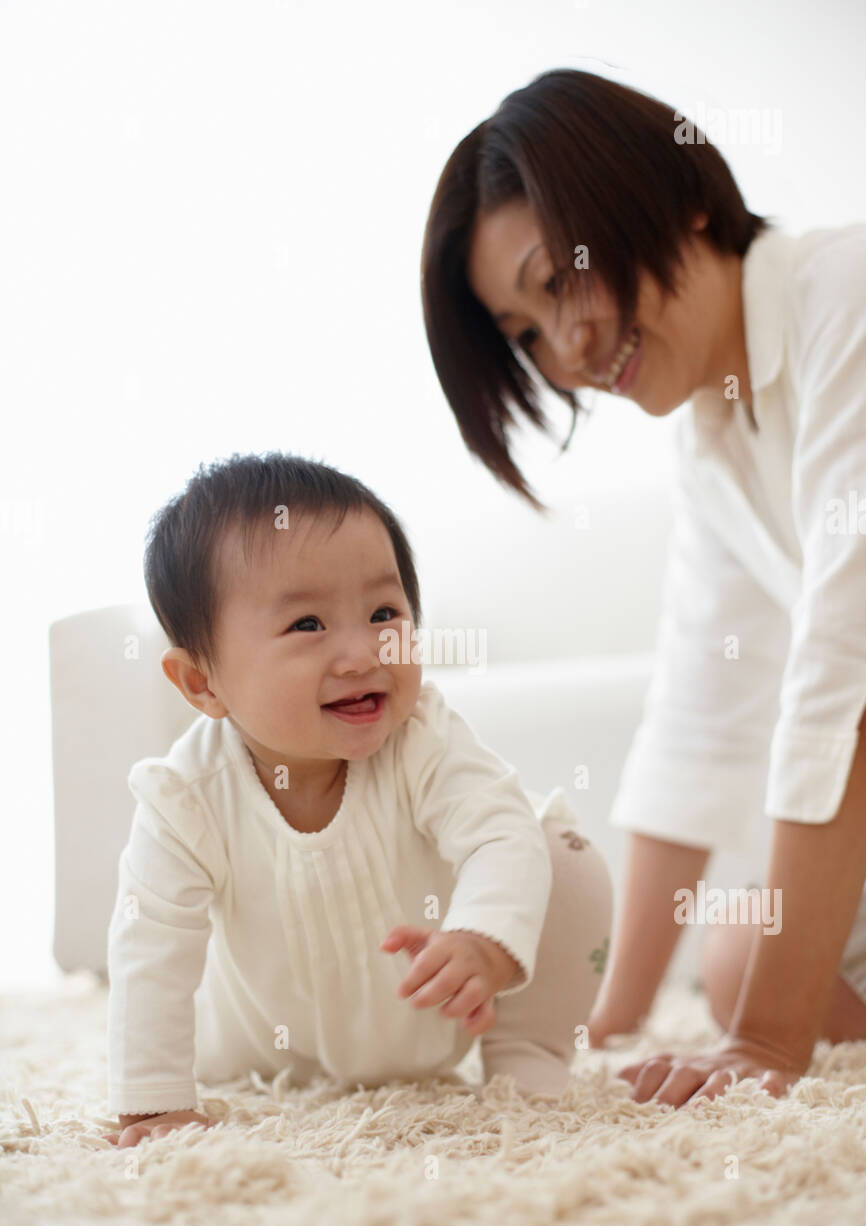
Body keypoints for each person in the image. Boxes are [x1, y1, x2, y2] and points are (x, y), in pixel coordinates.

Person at [420, 67, 866, 1109]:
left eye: (560, 276)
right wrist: (598, 1021)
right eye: (525, 332)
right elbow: (696, 723)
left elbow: (839, 677)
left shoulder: (840, 295)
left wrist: (763, 1043)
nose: (566, 349)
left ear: (684, 199)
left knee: (758, 988)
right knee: (729, 953)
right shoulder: (712, 432)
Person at [104, 452, 613, 1147]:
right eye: (307, 625)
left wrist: (482, 938)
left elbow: (501, 833)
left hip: (436, 1016)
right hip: (259, 1049)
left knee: (565, 854)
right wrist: (151, 1102)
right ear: (202, 685)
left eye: (382, 612)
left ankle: (530, 1052)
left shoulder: (424, 740)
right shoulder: (184, 799)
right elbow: (149, 948)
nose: (360, 653)